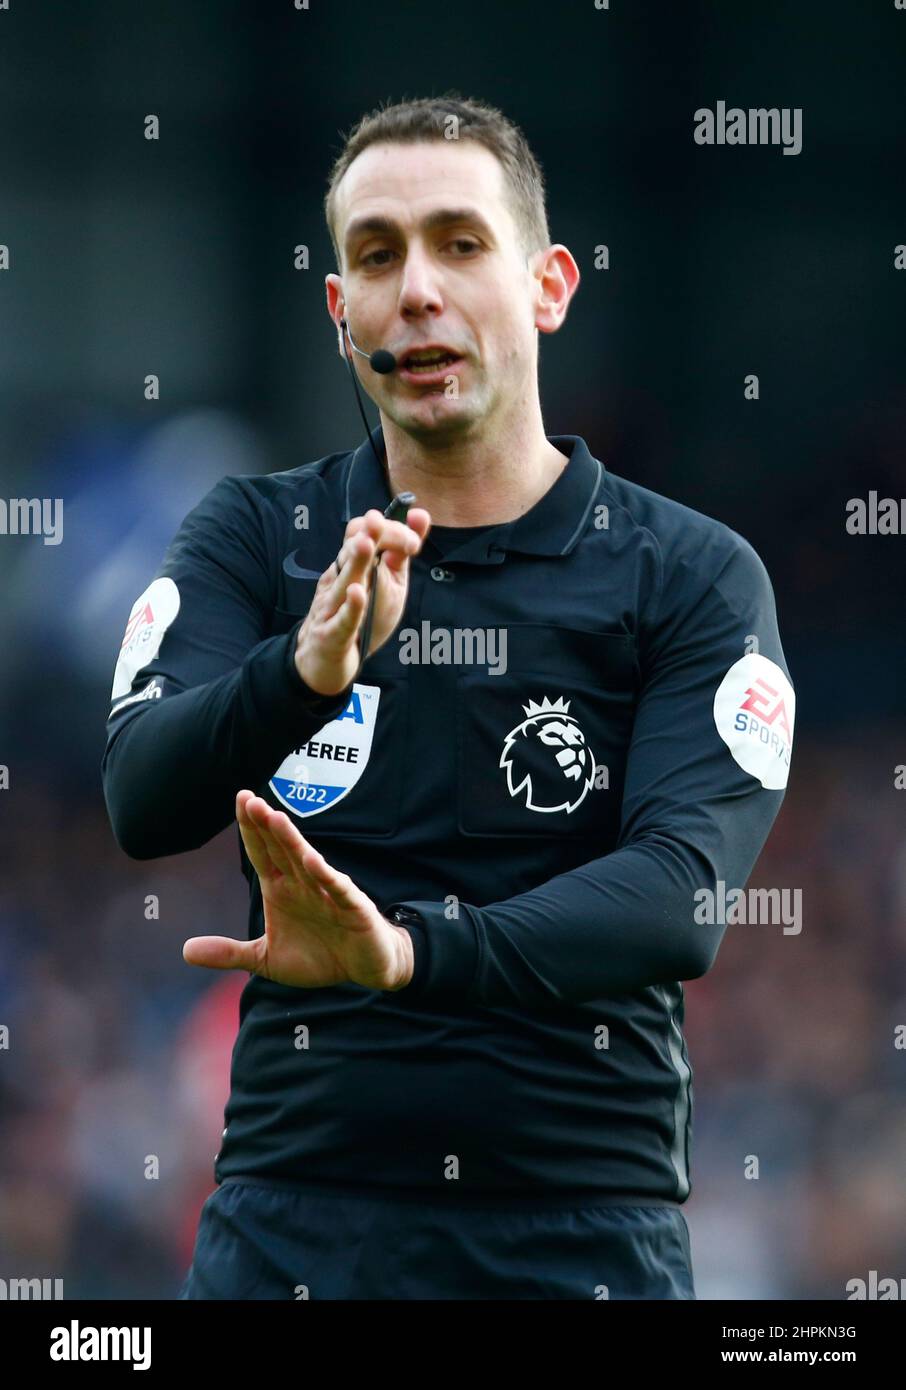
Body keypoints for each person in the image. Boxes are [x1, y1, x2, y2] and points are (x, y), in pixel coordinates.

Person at [101, 92, 795, 1300]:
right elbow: (143, 795)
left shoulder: (691, 574)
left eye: (460, 243)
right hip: (293, 1232)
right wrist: (300, 674)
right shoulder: (257, 537)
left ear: (549, 286)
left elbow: (678, 897)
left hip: (582, 1238)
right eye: (376, 254)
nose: (417, 287)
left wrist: (414, 955)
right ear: (341, 313)